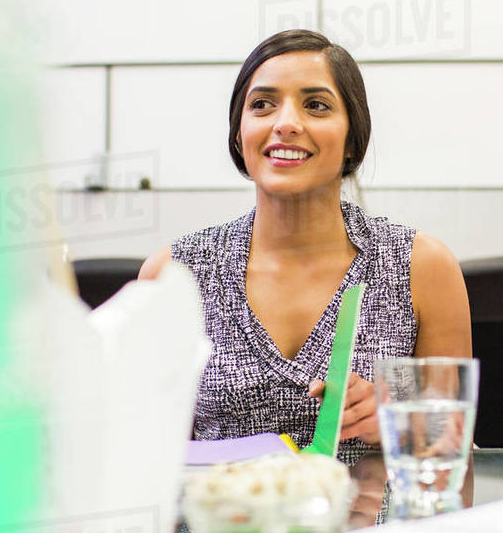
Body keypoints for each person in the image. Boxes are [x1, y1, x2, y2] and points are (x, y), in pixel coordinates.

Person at [141, 29, 474, 502]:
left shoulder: (422, 267)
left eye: (316, 105)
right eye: (262, 105)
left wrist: (398, 420)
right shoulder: (176, 275)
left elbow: (454, 449)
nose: (286, 123)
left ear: (353, 138)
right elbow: (141, 460)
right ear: (239, 134)